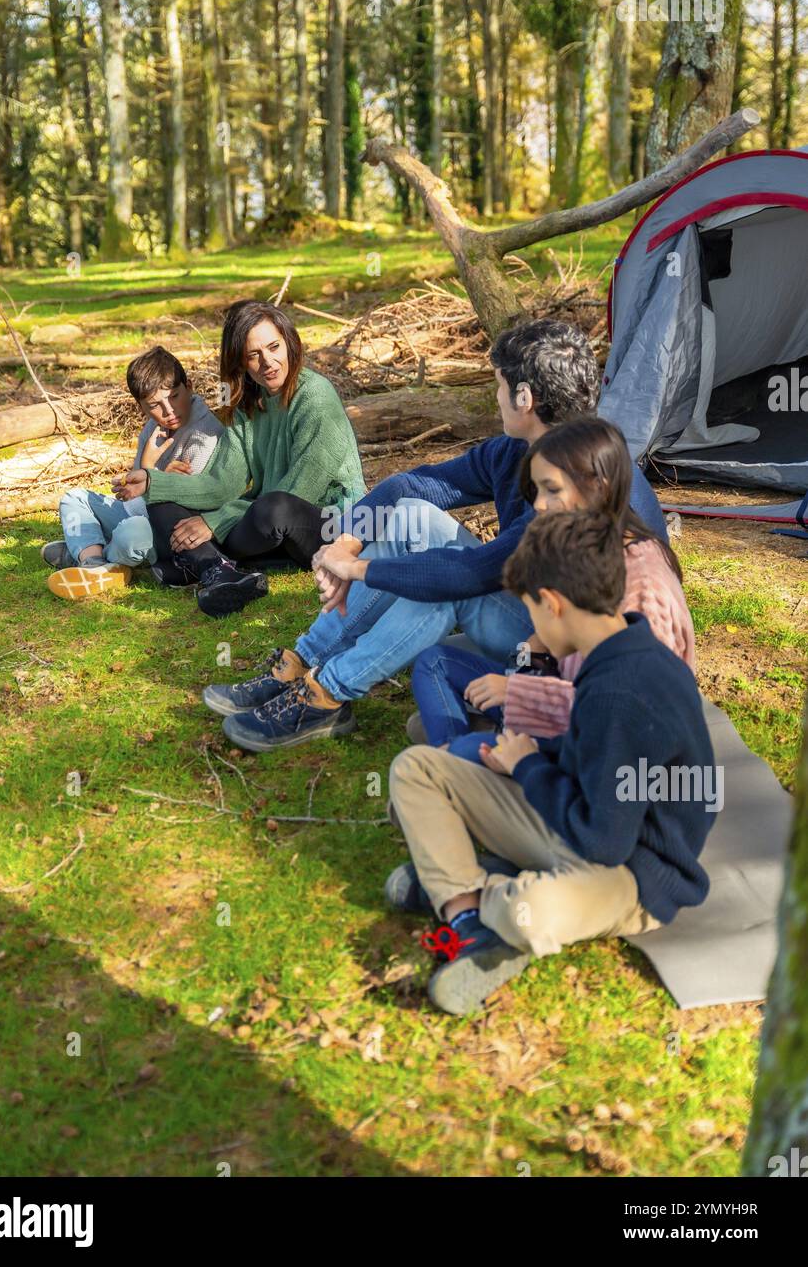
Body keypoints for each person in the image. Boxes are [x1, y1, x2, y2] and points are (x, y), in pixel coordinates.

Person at [212, 318, 668, 751]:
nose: (495, 397)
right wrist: (346, 541)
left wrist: (359, 569)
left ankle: (329, 693)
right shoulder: (520, 451)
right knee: (411, 515)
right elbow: (414, 484)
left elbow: (473, 576)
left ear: (524, 397)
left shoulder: (576, 485)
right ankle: (304, 659)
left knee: (447, 588)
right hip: (536, 619)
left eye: (499, 387)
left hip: (569, 648)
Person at [387, 510, 718, 1016]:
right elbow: (593, 756)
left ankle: (474, 891)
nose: (533, 632)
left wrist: (527, 769)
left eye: (531, 613)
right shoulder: (620, 650)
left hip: (634, 874)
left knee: (528, 913)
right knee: (418, 768)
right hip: (586, 823)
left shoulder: (620, 690)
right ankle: (469, 913)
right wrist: (535, 755)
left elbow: (604, 841)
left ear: (553, 604)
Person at [411, 416, 694, 761]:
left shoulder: (643, 587)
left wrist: (517, 694)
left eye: (552, 490)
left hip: (591, 743)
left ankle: (458, 759)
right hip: (554, 697)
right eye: (537, 490)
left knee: (447, 750)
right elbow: (546, 647)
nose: (539, 505)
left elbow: (626, 710)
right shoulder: (582, 546)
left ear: (599, 487)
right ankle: (461, 753)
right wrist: (524, 665)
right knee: (435, 662)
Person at [112, 300, 366, 618]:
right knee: (164, 498)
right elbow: (222, 484)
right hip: (267, 527)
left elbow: (301, 491)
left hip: (330, 526)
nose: (268, 362)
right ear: (240, 362)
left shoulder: (316, 396)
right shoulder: (247, 406)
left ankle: (190, 562)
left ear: (289, 343)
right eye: (253, 355)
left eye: (274, 347)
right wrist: (152, 480)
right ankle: (218, 570)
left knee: (274, 506)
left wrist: (215, 521)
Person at [42, 346, 225, 601]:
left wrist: (154, 476)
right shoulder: (154, 427)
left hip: (161, 529)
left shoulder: (204, 435)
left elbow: (180, 506)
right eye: (154, 405)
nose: (168, 410)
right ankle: (95, 563)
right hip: (136, 511)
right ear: (141, 407)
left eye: (174, 396)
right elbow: (136, 491)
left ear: (189, 386)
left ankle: (83, 553)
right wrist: (142, 473)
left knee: (132, 534)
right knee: (74, 499)